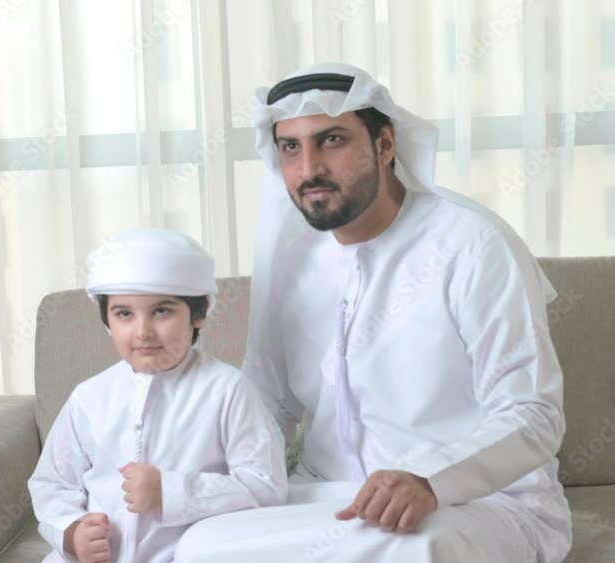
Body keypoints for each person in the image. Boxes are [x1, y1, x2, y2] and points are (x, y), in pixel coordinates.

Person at [175, 63, 571, 562]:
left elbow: (532, 414)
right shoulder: (294, 263)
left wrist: (430, 478)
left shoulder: (473, 246)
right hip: (326, 497)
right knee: (200, 546)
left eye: (332, 140)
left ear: (385, 146)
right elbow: (267, 405)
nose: (308, 168)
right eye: (290, 147)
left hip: (474, 503)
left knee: (418, 550)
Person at [29, 229, 288, 563]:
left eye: (162, 311)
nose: (143, 332)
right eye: (124, 314)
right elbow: (52, 483)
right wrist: (71, 531)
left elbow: (266, 484)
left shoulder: (228, 390)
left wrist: (172, 493)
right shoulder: (89, 398)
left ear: (198, 314)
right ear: (107, 321)